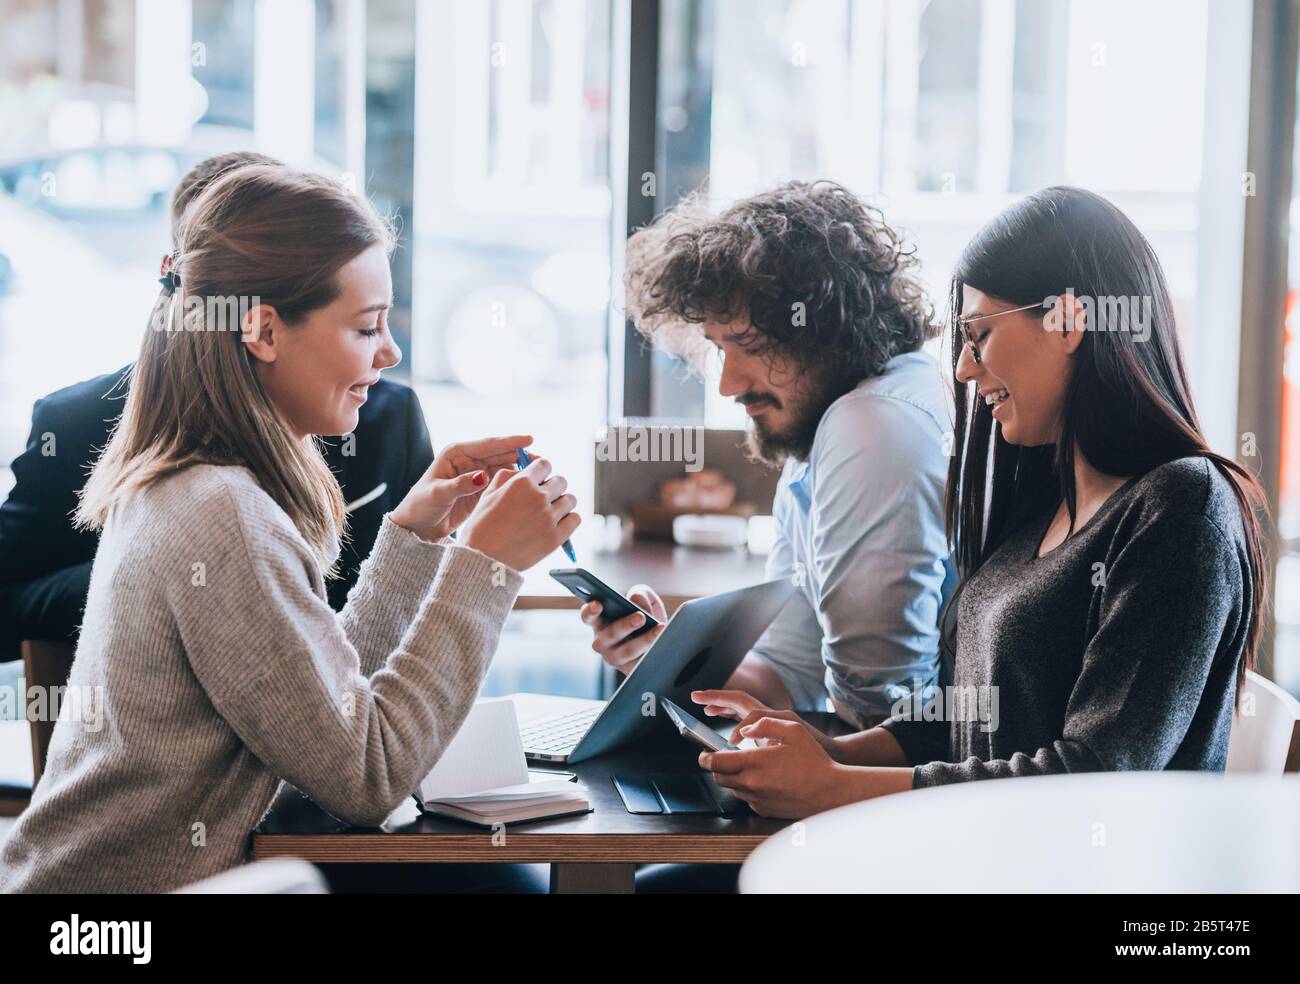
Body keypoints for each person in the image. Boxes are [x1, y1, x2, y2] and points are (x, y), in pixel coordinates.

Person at [0, 163, 579, 892]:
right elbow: (367, 777)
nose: (391, 352)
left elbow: (322, 718)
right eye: (367, 325)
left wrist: (414, 538)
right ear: (264, 330)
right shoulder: (222, 515)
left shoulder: (199, 483)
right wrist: (486, 567)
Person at [690, 186, 1267, 819]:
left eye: (980, 335)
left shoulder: (1182, 506)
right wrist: (825, 751)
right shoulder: (1044, 502)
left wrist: (834, 786)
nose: (964, 369)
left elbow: (1097, 774)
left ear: (1069, 321)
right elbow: (962, 728)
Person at [0, 152, 434, 656]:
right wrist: (147, 575)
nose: (388, 353)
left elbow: (352, 685)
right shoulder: (82, 428)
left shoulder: (381, 413)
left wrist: (438, 539)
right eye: (364, 326)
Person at [586, 181, 954, 728]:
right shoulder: (825, 427)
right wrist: (665, 660)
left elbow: (879, 714)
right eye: (719, 349)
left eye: (752, 348)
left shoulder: (871, 424)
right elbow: (788, 678)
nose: (728, 384)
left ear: (829, 331)